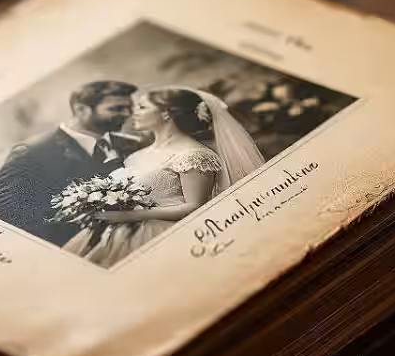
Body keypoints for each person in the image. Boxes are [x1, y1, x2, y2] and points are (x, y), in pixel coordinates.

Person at [63, 87, 265, 267]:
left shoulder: (193, 155)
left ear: (165, 113)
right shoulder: (136, 154)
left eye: (142, 107)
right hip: (118, 231)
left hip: (161, 234)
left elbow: (196, 207)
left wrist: (131, 216)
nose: (134, 113)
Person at [0, 80, 139, 245]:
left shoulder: (133, 145)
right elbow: (7, 208)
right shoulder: (32, 152)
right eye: (116, 109)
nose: (127, 114)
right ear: (81, 109)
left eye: (129, 108)